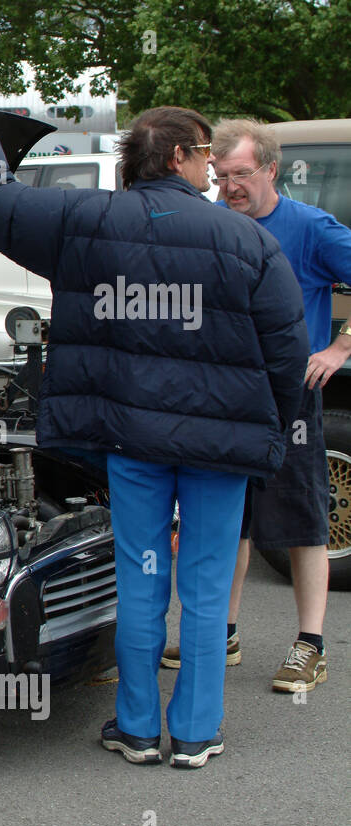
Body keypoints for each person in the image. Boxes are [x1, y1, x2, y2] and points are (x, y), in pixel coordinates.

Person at [0, 87, 308, 768]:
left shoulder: (84, 221)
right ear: (175, 156)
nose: (212, 168)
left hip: (131, 442)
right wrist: (271, 427)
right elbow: (287, 349)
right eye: (204, 154)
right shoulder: (247, 240)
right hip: (219, 450)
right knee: (202, 584)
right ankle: (196, 732)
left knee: (141, 577)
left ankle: (137, 727)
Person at [170, 118, 351, 693]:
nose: (229, 187)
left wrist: (341, 347)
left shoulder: (311, 228)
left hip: (291, 397)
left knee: (301, 523)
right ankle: (223, 634)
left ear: (271, 170)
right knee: (230, 520)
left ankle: (310, 648)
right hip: (227, 398)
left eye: (241, 175)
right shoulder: (215, 225)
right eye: (221, 177)